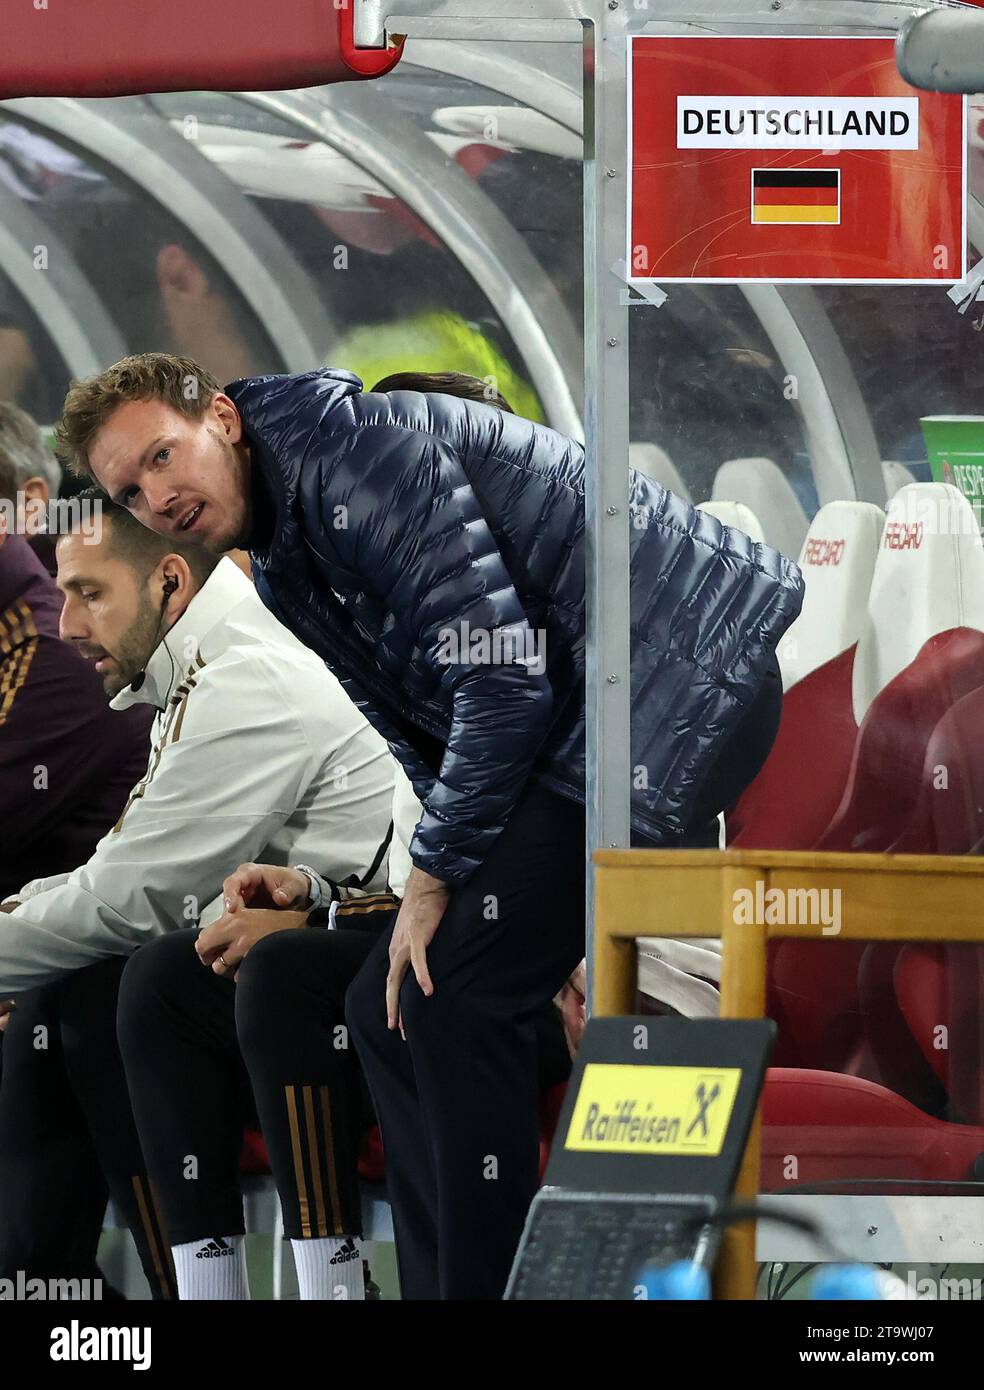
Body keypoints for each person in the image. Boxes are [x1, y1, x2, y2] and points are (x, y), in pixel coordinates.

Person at [57, 350, 803, 1299]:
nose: (156, 496)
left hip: (679, 680)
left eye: (164, 457)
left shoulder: (352, 458)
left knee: (453, 991)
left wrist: (438, 875)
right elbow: (421, 724)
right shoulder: (285, 545)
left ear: (224, 421)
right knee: (387, 1002)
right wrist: (425, 876)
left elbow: (498, 679)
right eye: (129, 489)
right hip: (581, 715)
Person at [0, 496, 395, 1299]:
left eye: (90, 593)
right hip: (306, 957)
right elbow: (118, 877)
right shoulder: (197, 667)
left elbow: (129, 898)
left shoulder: (249, 672)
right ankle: (81, 1286)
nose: (68, 625)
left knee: (114, 981)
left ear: (170, 582)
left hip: (352, 974)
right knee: (76, 993)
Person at [0, 452, 153, 1299]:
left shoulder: (55, 660)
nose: (72, 619)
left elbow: (138, 883)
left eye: (91, 594)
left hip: (72, 979)